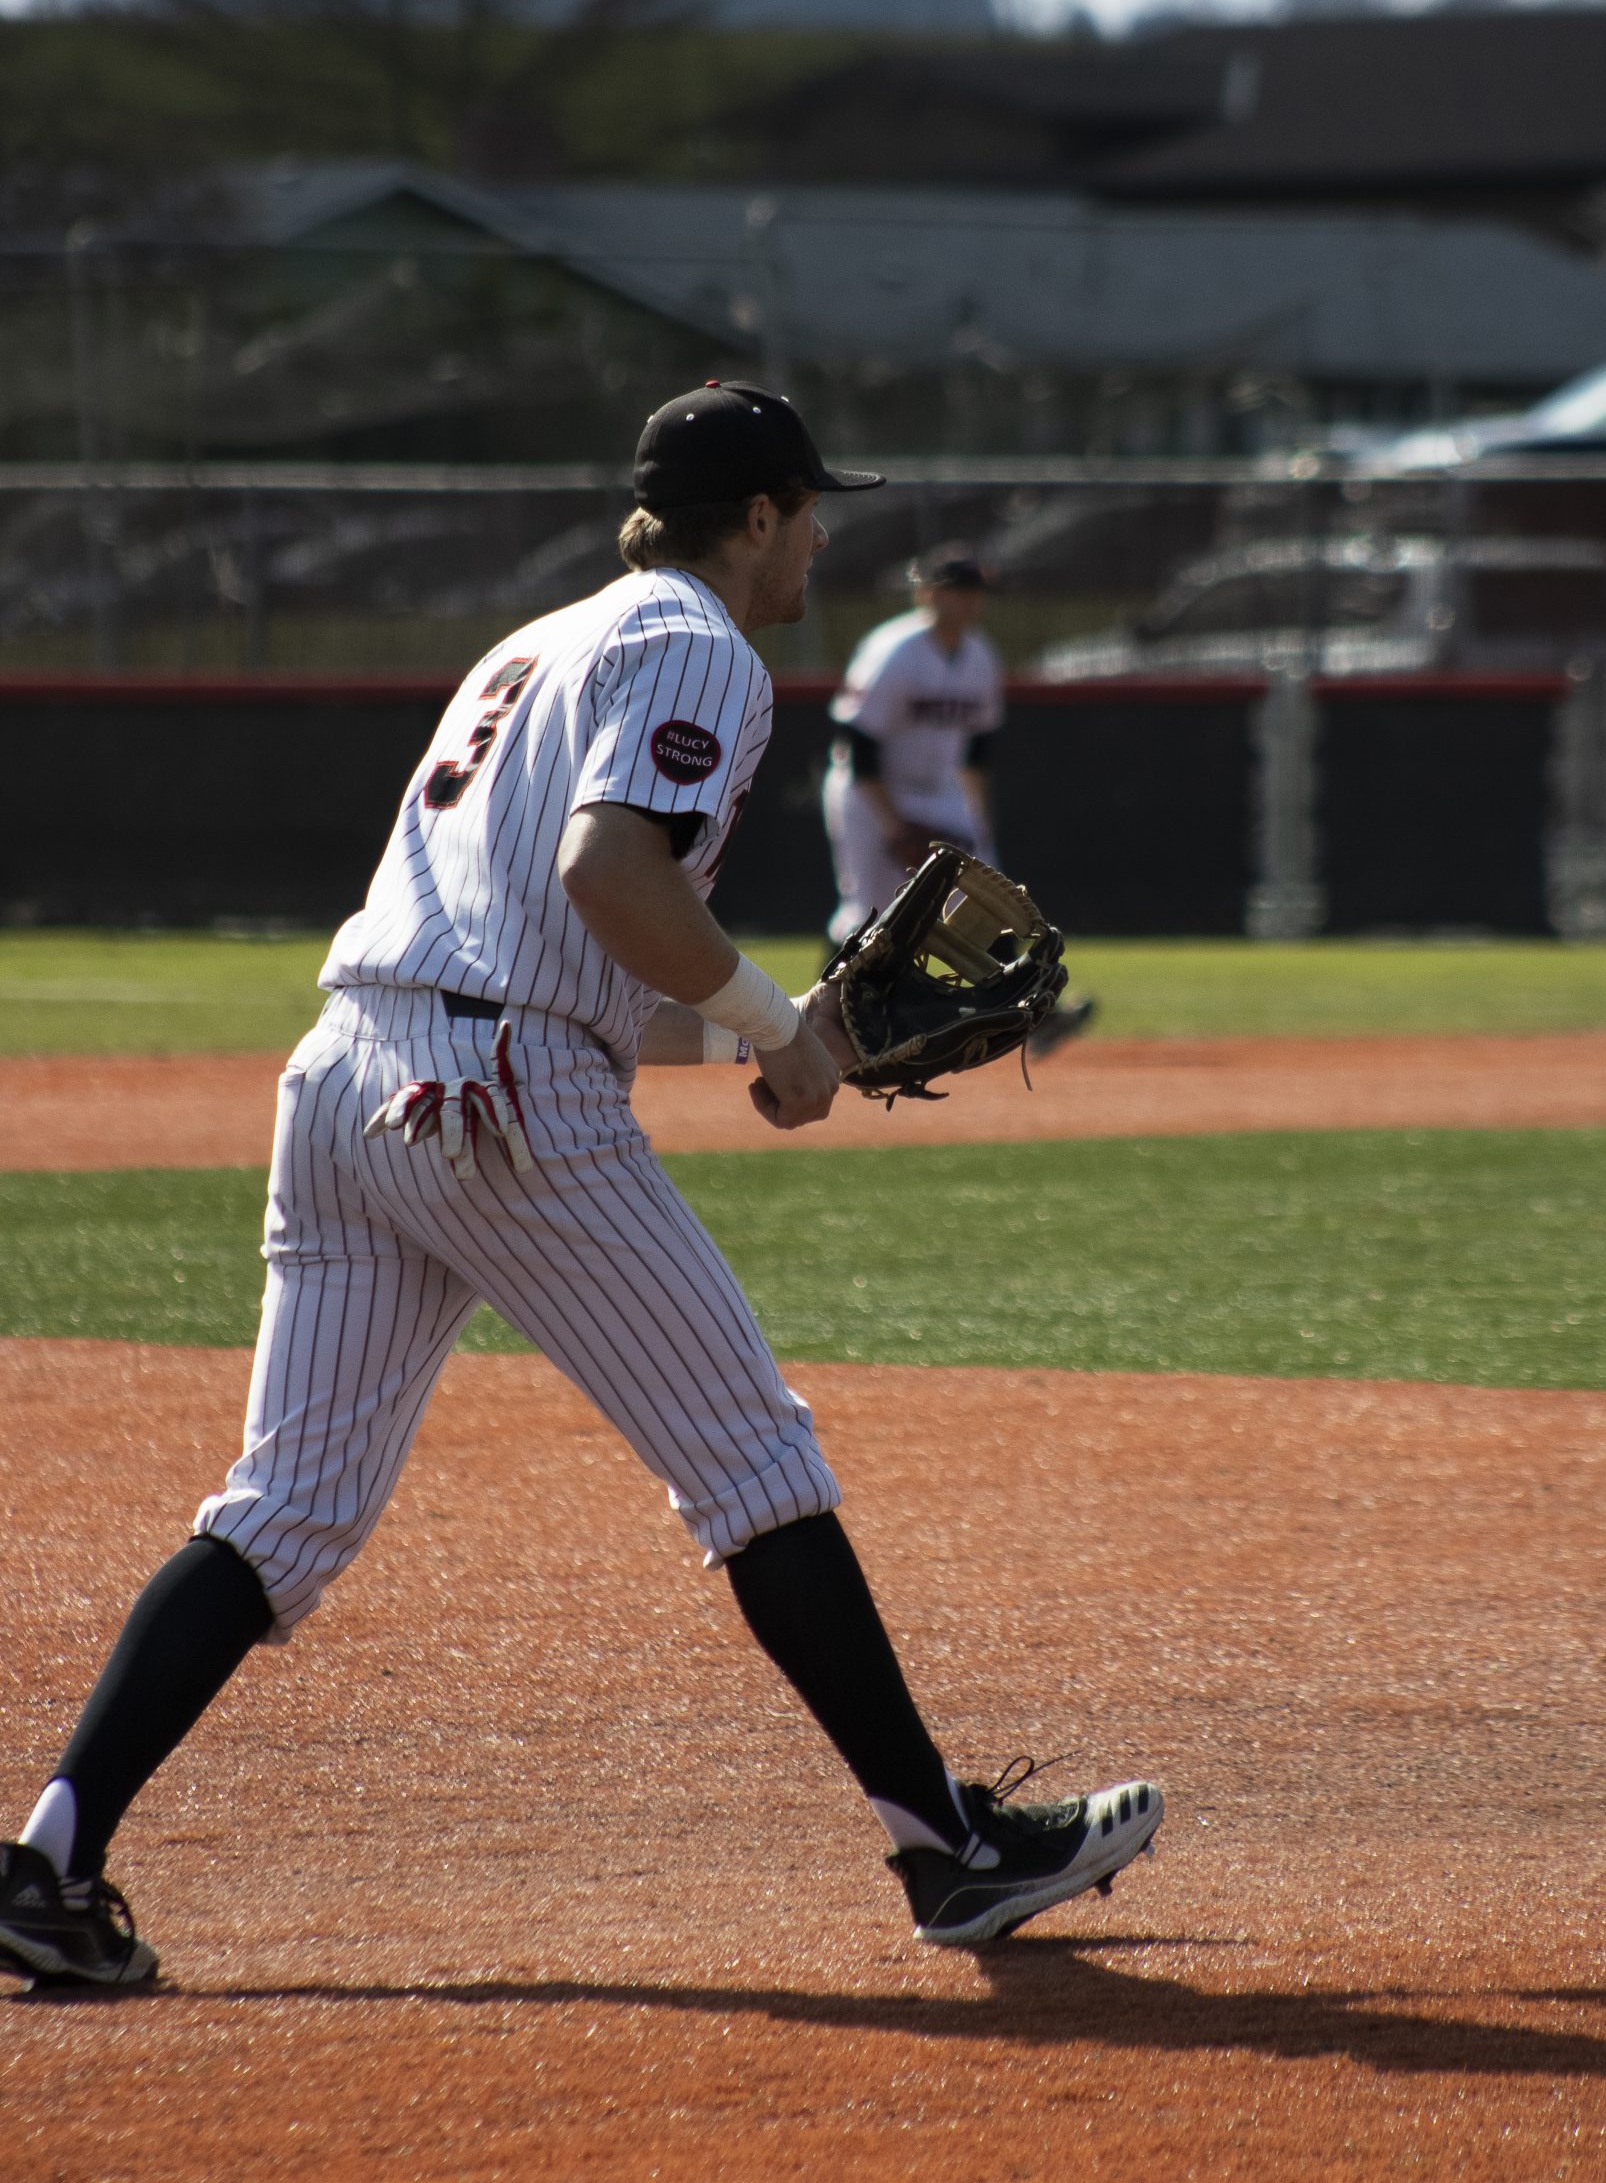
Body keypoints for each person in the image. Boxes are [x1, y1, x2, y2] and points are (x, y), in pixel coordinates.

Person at [0, 382, 1159, 1992]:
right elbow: (606, 877)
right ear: (754, 517)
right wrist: (776, 1028)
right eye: (808, 512)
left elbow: (553, 955)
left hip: (345, 1080)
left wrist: (788, 1037)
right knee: (754, 1466)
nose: (819, 542)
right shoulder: (697, 643)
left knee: (284, 1512)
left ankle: (46, 1863)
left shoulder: (535, 644)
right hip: (498, 1101)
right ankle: (944, 1851)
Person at [822, 545, 1095, 1048]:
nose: (971, 601)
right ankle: (822, 1025)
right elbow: (859, 747)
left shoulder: (979, 656)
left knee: (991, 898)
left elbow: (977, 752)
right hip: (871, 791)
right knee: (867, 910)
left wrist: (979, 822)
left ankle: (1028, 1017)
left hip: (941, 791)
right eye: (959, 591)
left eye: (976, 592)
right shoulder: (894, 650)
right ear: (928, 593)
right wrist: (893, 824)